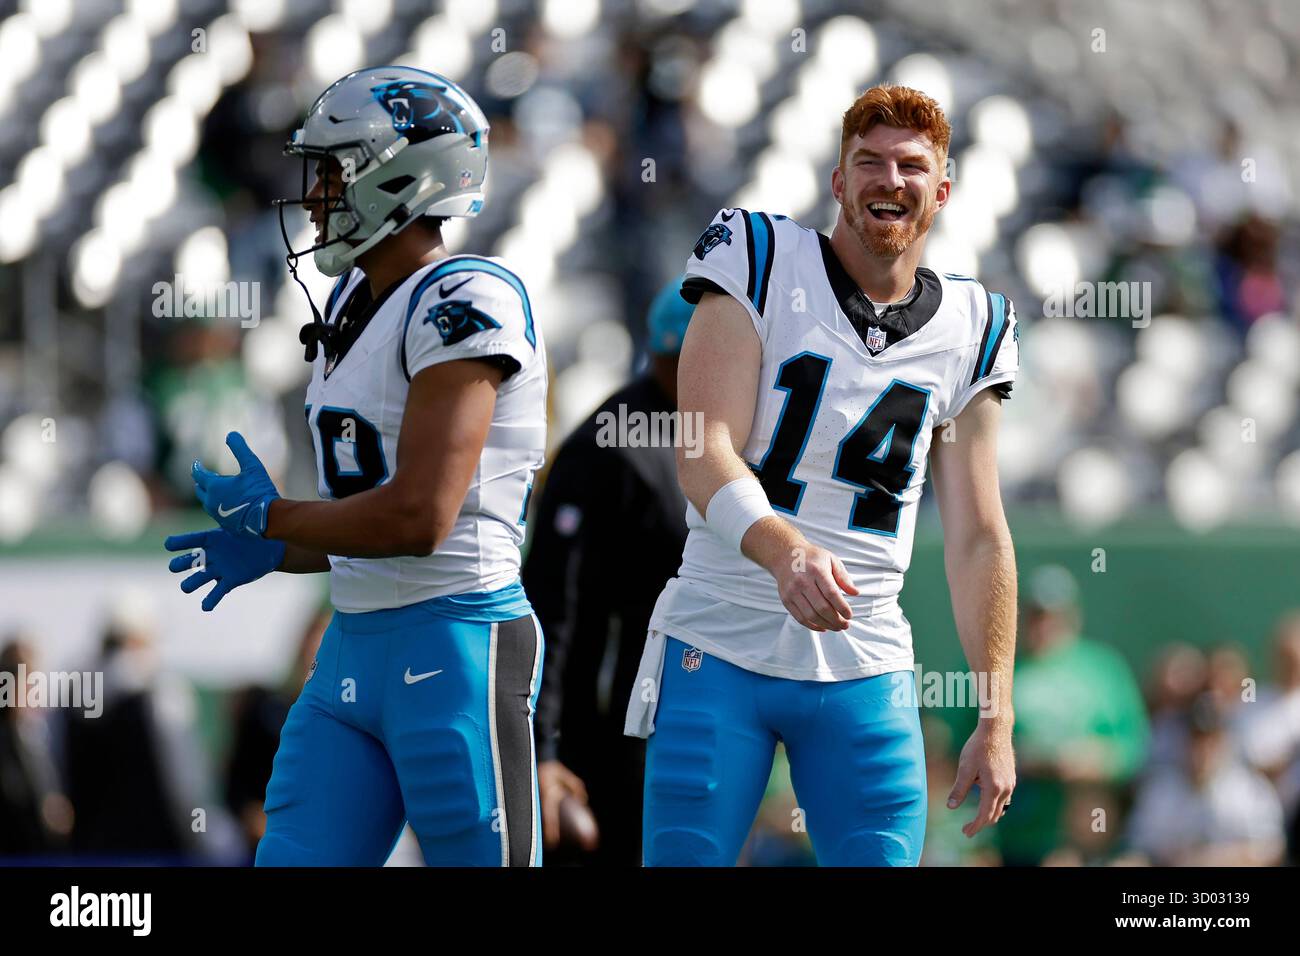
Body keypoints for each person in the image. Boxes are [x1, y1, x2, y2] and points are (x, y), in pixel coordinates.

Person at [164, 67, 548, 866]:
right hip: (352, 645)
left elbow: (418, 517)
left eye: (335, 171)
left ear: (400, 175)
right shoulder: (348, 306)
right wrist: (282, 548)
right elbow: (359, 523)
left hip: (457, 641)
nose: (314, 197)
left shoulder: (468, 300)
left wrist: (278, 521)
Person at [626, 84, 1019, 866]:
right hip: (720, 635)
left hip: (863, 656)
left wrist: (995, 714)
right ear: (838, 182)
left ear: (941, 192)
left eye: (911, 165)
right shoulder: (759, 255)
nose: (889, 179)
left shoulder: (976, 325)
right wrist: (785, 552)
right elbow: (703, 448)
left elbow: (977, 534)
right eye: (867, 162)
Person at [524, 278, 693, 865]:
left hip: (692, 718)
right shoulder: (607, 447)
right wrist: (543, 750)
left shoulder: (722, 435)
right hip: (609, 733)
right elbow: (552, 608)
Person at [996, 565, 1148, 866]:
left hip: (1089, 834)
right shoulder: (996, 669)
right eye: (1036, 615)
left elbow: (1137, 746)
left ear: (1072, 618)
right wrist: (1025, 760)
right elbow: (960, 748)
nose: (1044, 626)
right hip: (1015, 833)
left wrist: (1096, 759)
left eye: (1053, 617)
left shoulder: (1104, 669)